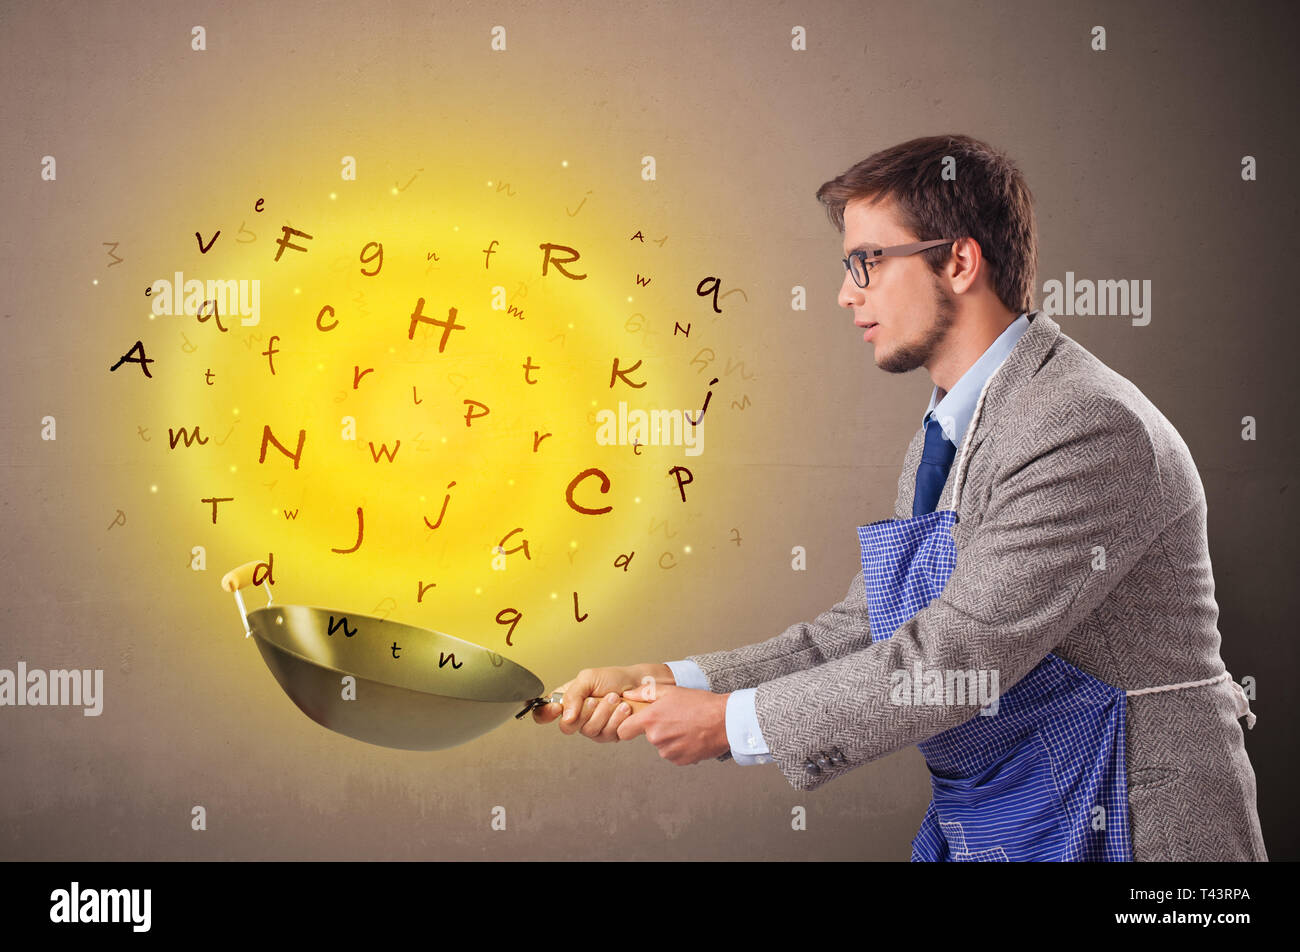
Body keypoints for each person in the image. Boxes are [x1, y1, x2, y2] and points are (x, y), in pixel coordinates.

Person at [533, 134, 1267, 861]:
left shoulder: (1081, 425)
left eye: (867, 263)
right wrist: (670, 680)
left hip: (1132, 826)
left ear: (959, 260)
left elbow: (952, 657)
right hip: (1005, 818)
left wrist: (730, 723)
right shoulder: (946, 428)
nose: (845, 293)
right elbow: (865, 630)